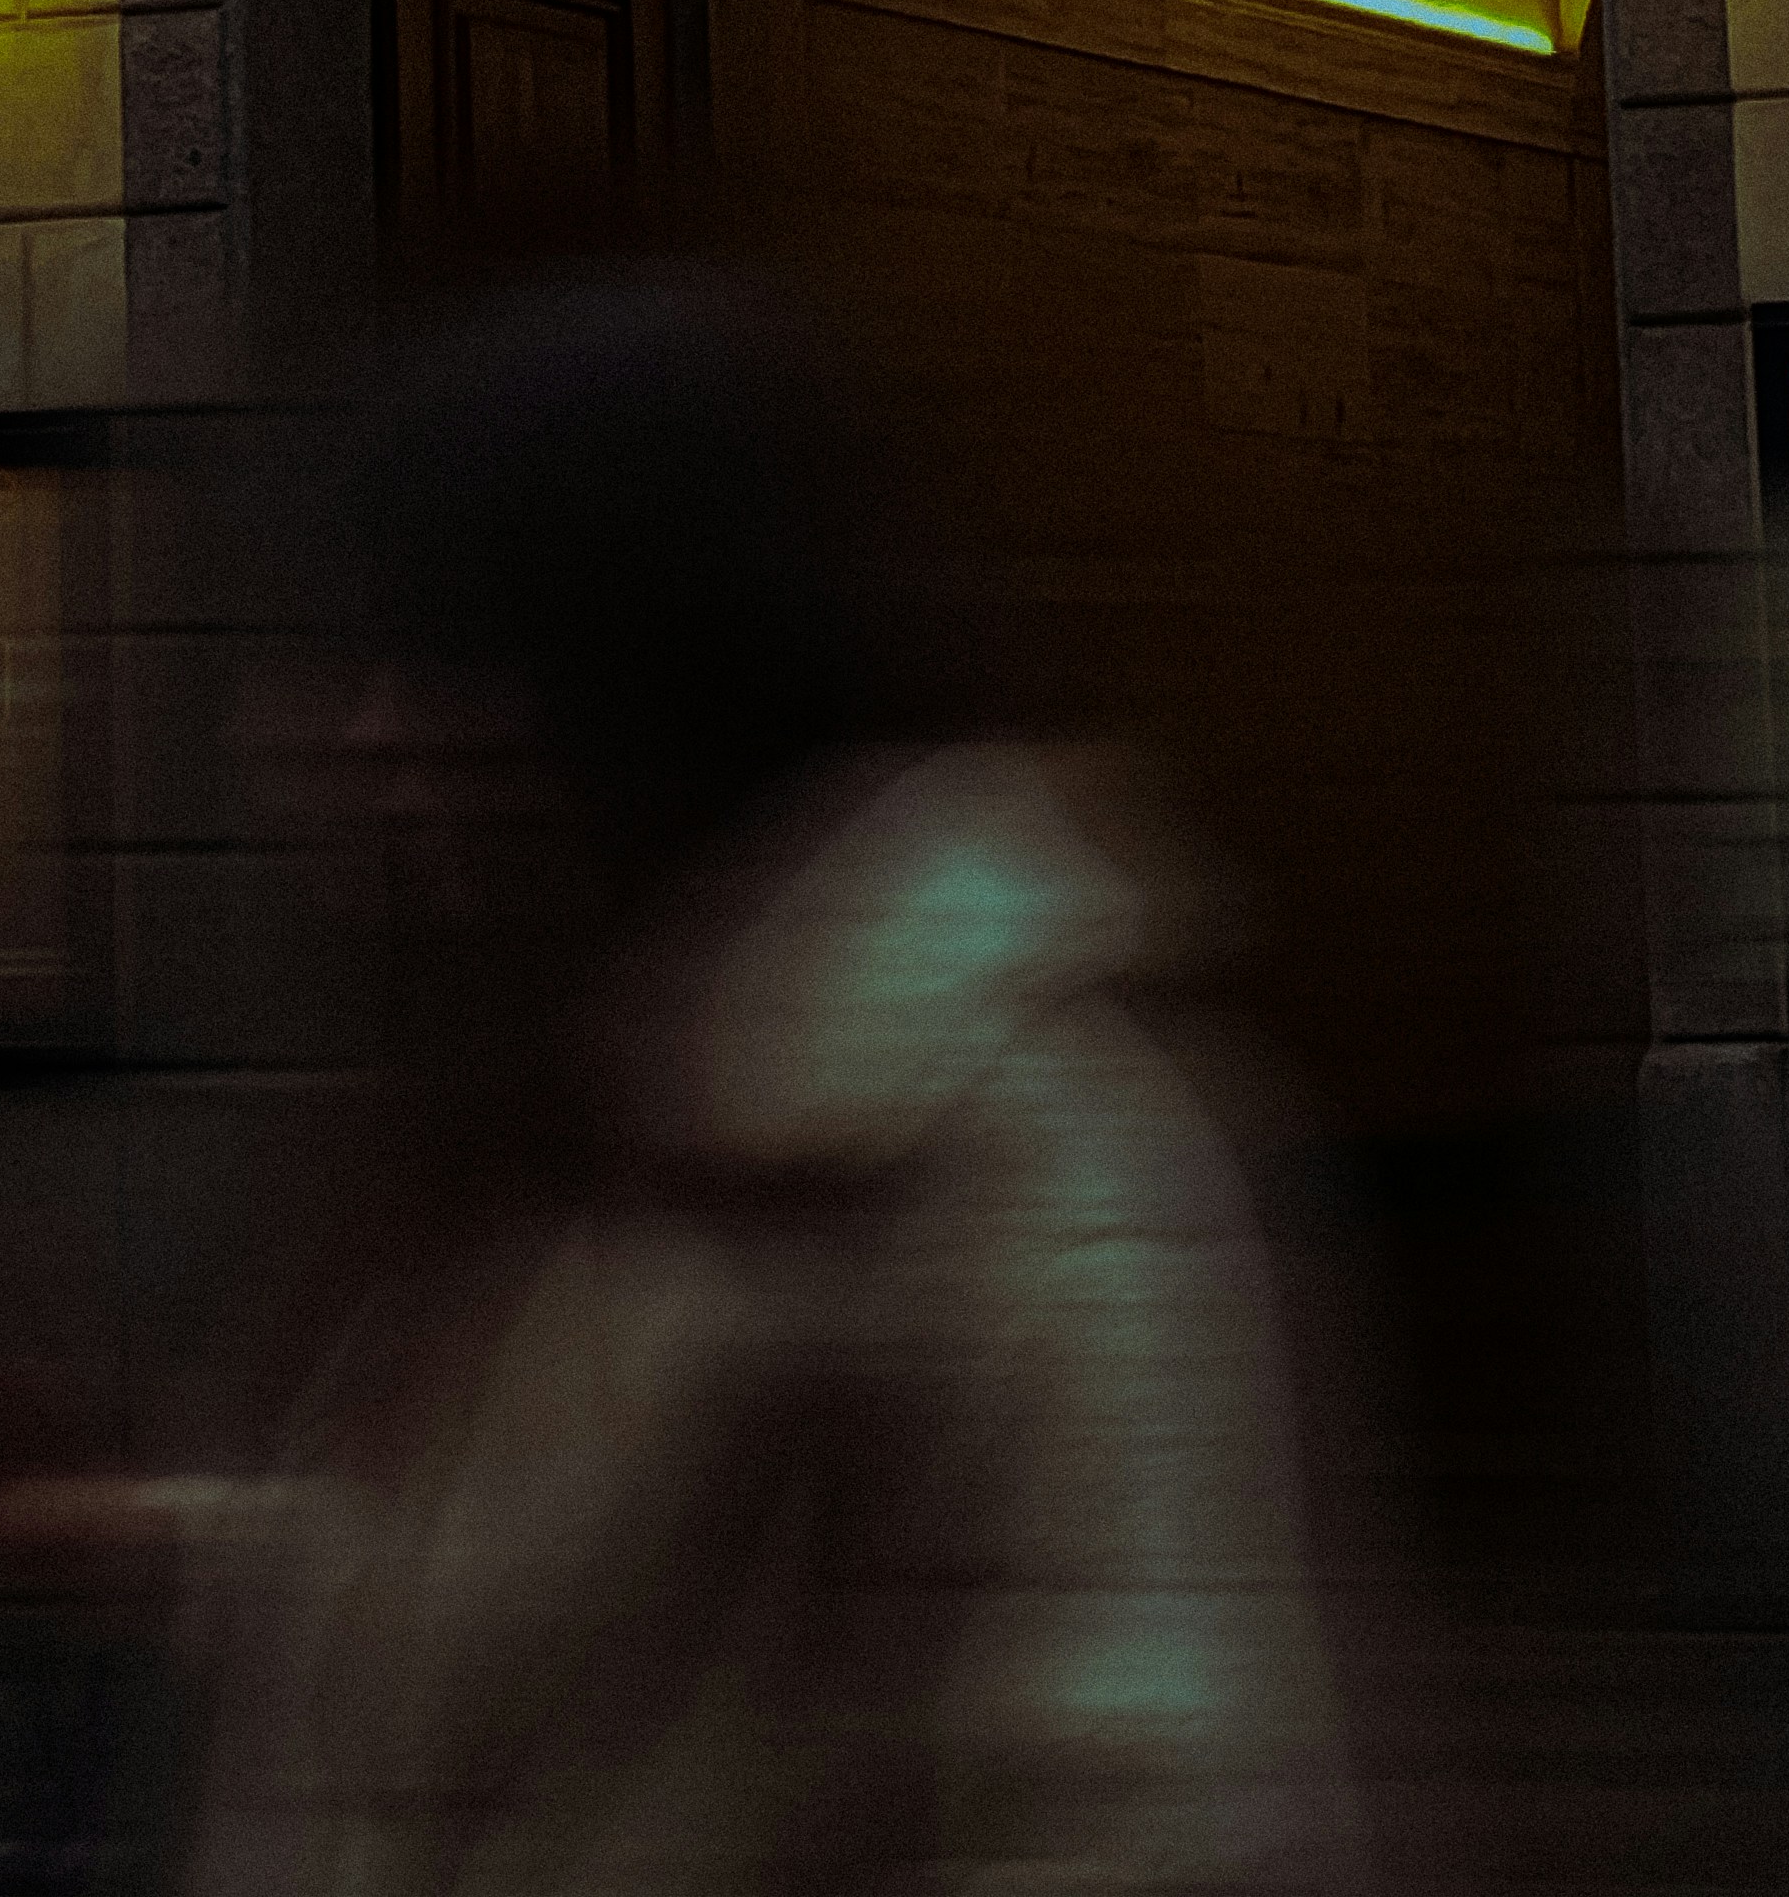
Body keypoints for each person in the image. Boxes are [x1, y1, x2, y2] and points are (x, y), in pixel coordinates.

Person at [178, 266, 1355, 1897]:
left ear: (662, 676)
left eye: (461, 661)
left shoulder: (1009, 1144)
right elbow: (471, 1616)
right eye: (350, 665)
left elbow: (1143, 1796)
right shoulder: (559, 1116)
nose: (378, 744)